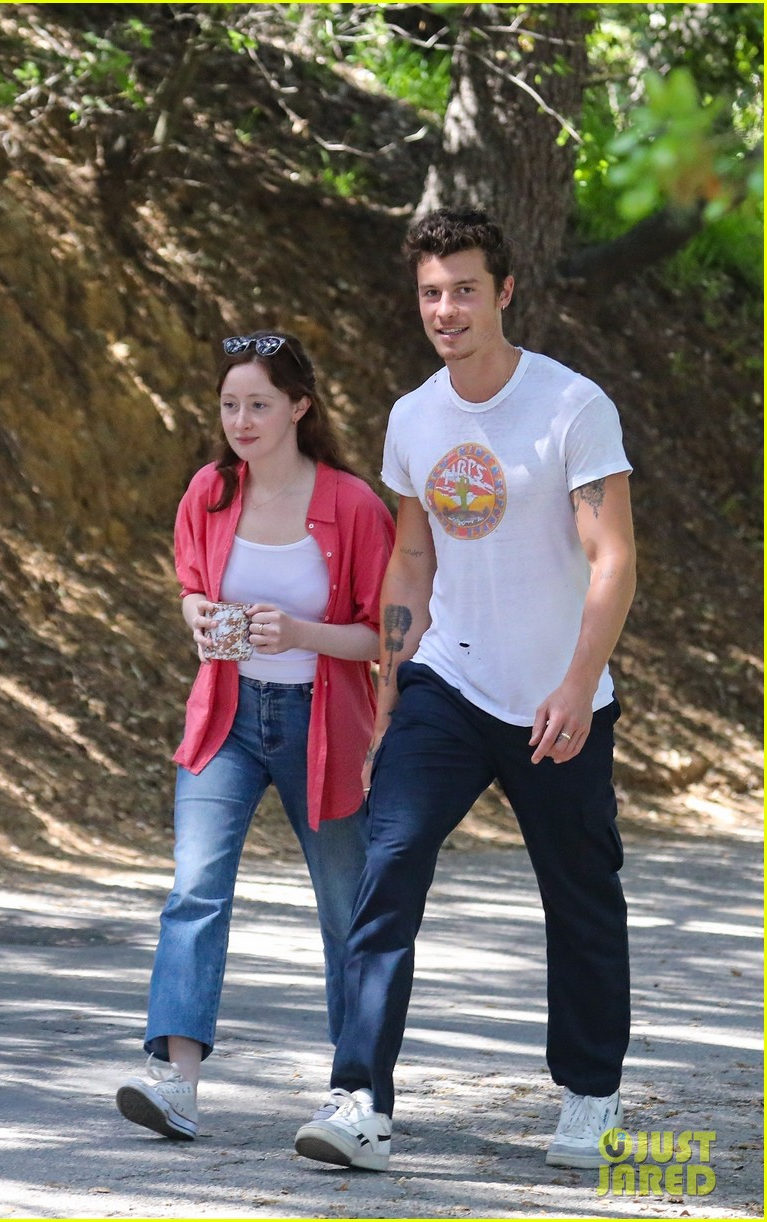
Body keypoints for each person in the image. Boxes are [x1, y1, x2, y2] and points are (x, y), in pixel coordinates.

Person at [294, 208, 636, 1172]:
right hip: (447, 676)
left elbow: (611, 561)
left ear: (505, 293)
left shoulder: (572, 406)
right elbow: (410, 553)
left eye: (464, 291)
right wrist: (395, 690)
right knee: (388, 863)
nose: (445, 310)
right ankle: (359, 1095)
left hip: (554, 696)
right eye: (430, 294)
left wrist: (577, 683)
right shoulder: (414, 415)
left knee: (577, 894)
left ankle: (588, 1097)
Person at [117, 330, 394, 1141]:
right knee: (193, 889)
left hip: (322, 725)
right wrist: (197, 615)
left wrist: (303, 632)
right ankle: (175, 1081)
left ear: (299, 408)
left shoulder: (351, 504)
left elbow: (389, 636)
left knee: (348, 908)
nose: (241, 419)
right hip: (226, 721)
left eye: (259, 404)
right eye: (230, 403)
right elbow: (190, 590)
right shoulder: (207, 491)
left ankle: (357, 1095)